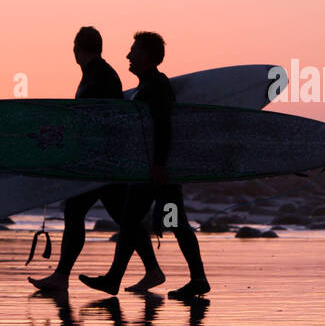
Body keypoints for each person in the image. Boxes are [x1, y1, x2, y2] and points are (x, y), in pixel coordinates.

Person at [28, 27, 165, 295]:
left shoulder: (100, 75)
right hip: (104, 161)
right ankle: (152, 270)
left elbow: (97, 120)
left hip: (101, 162)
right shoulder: (98, 73)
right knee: (121, 217)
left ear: (76, 48)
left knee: (75, 211)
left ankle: (61, 276)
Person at [81, 31, 210, 300]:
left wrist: (159, 165)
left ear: (149, 58)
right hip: (149, 171)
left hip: (156, 173)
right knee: (136, 221)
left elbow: (164, 127)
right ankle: (115, 278)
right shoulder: (148, 87)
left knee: (168, 222)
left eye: (134, 52)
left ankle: (197, 279)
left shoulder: (157, 88)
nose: (128, 56)